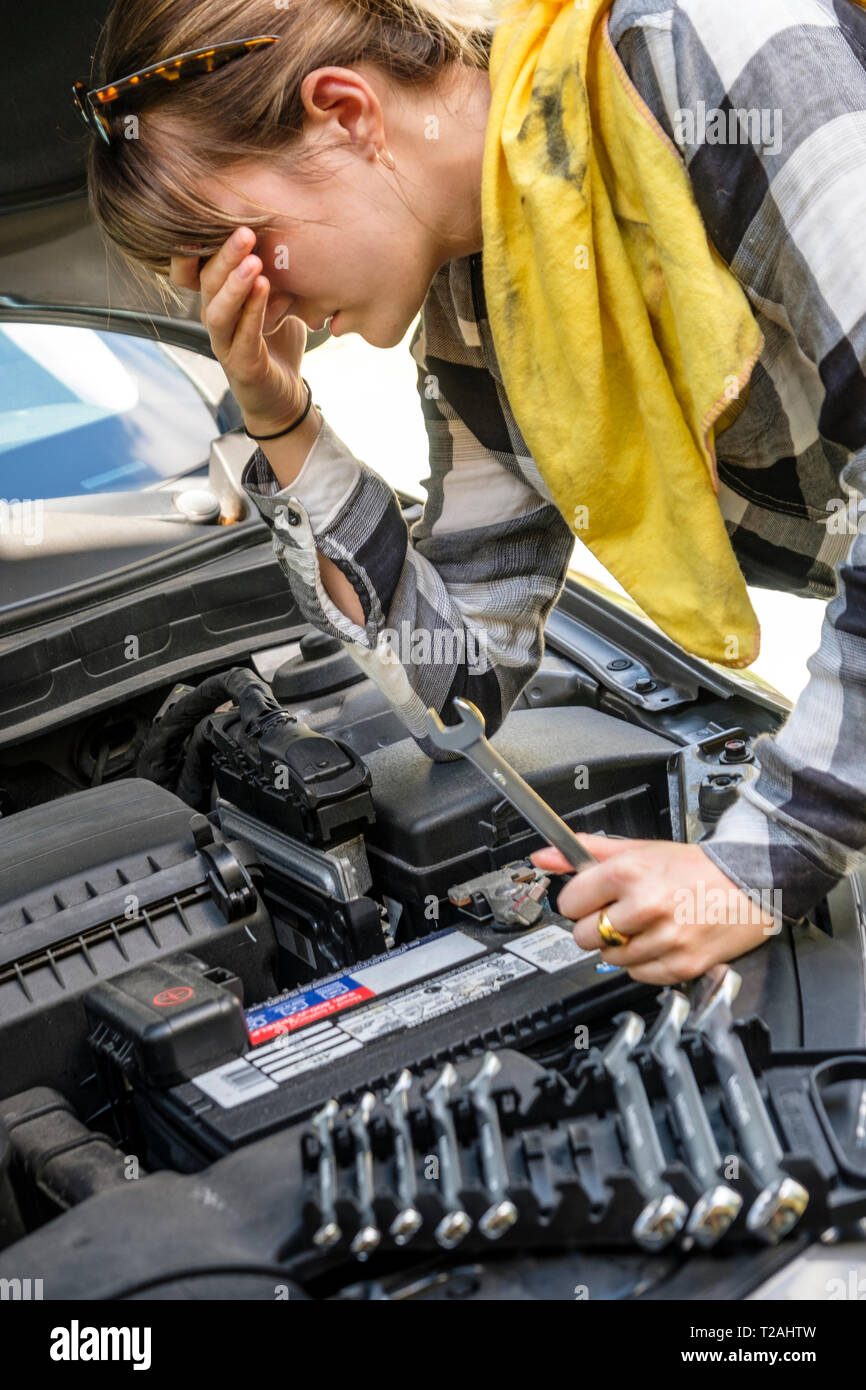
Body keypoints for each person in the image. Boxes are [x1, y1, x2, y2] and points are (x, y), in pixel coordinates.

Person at [79, 0, 866, 984]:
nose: (248, 303)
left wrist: (757, 865)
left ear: (345, 113)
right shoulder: (478, 315)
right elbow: (460, 682)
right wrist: (284, 421)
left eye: (242, 249)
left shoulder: (697, 48)